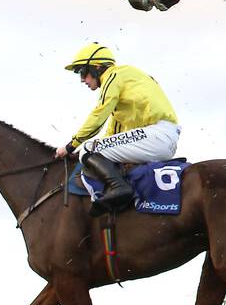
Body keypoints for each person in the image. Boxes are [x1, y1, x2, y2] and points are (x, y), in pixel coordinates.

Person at [54, 43, 181, 216]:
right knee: (91, 149)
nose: (83, 80)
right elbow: (113, 134)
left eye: (83, 73)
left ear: (97, 67)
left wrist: (72, 145)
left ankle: (119, 188)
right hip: (161, 137)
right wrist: (87, 157)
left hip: (156, 135)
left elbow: (99, 115)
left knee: (88, 147)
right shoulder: (126, 83)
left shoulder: (113, 75)